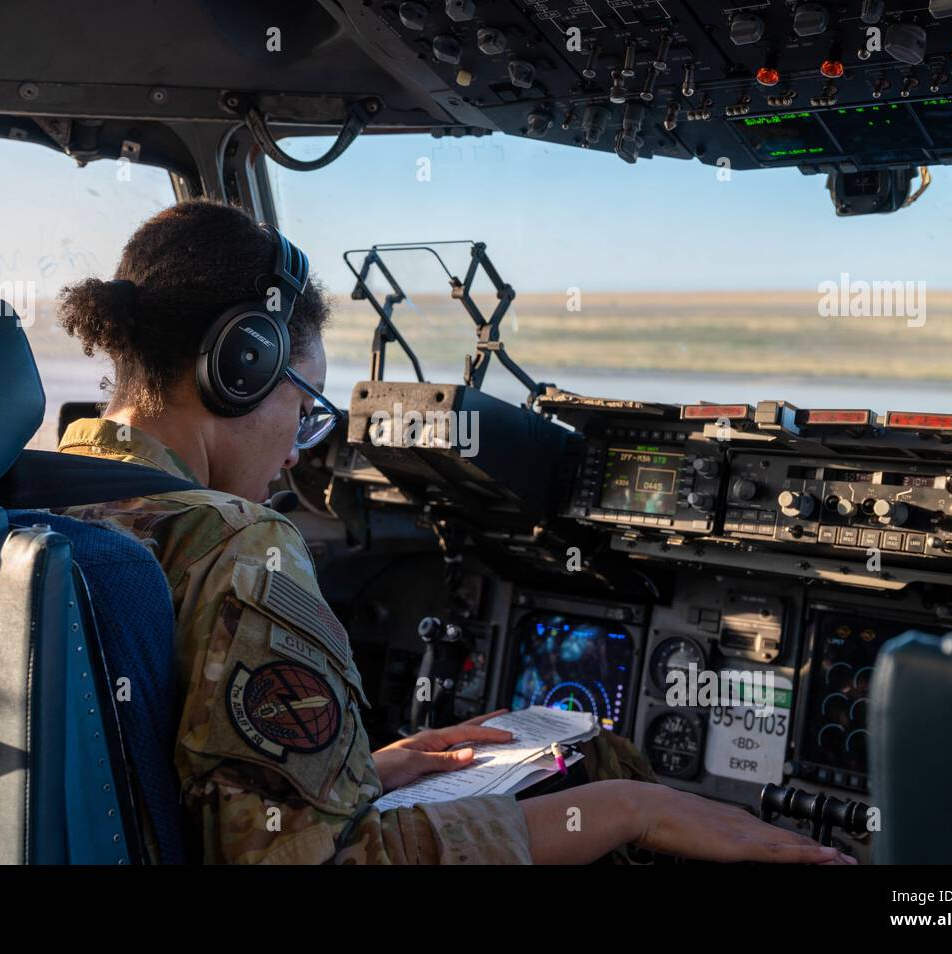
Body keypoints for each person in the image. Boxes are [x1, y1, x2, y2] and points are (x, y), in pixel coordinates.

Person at [53, 198, 853, 865]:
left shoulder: (35, 498)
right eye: (304, 406)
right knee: (602, 768)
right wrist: (626, 811)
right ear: (241, 367)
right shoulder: (235, 544)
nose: (299, 448)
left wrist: (364, 772)